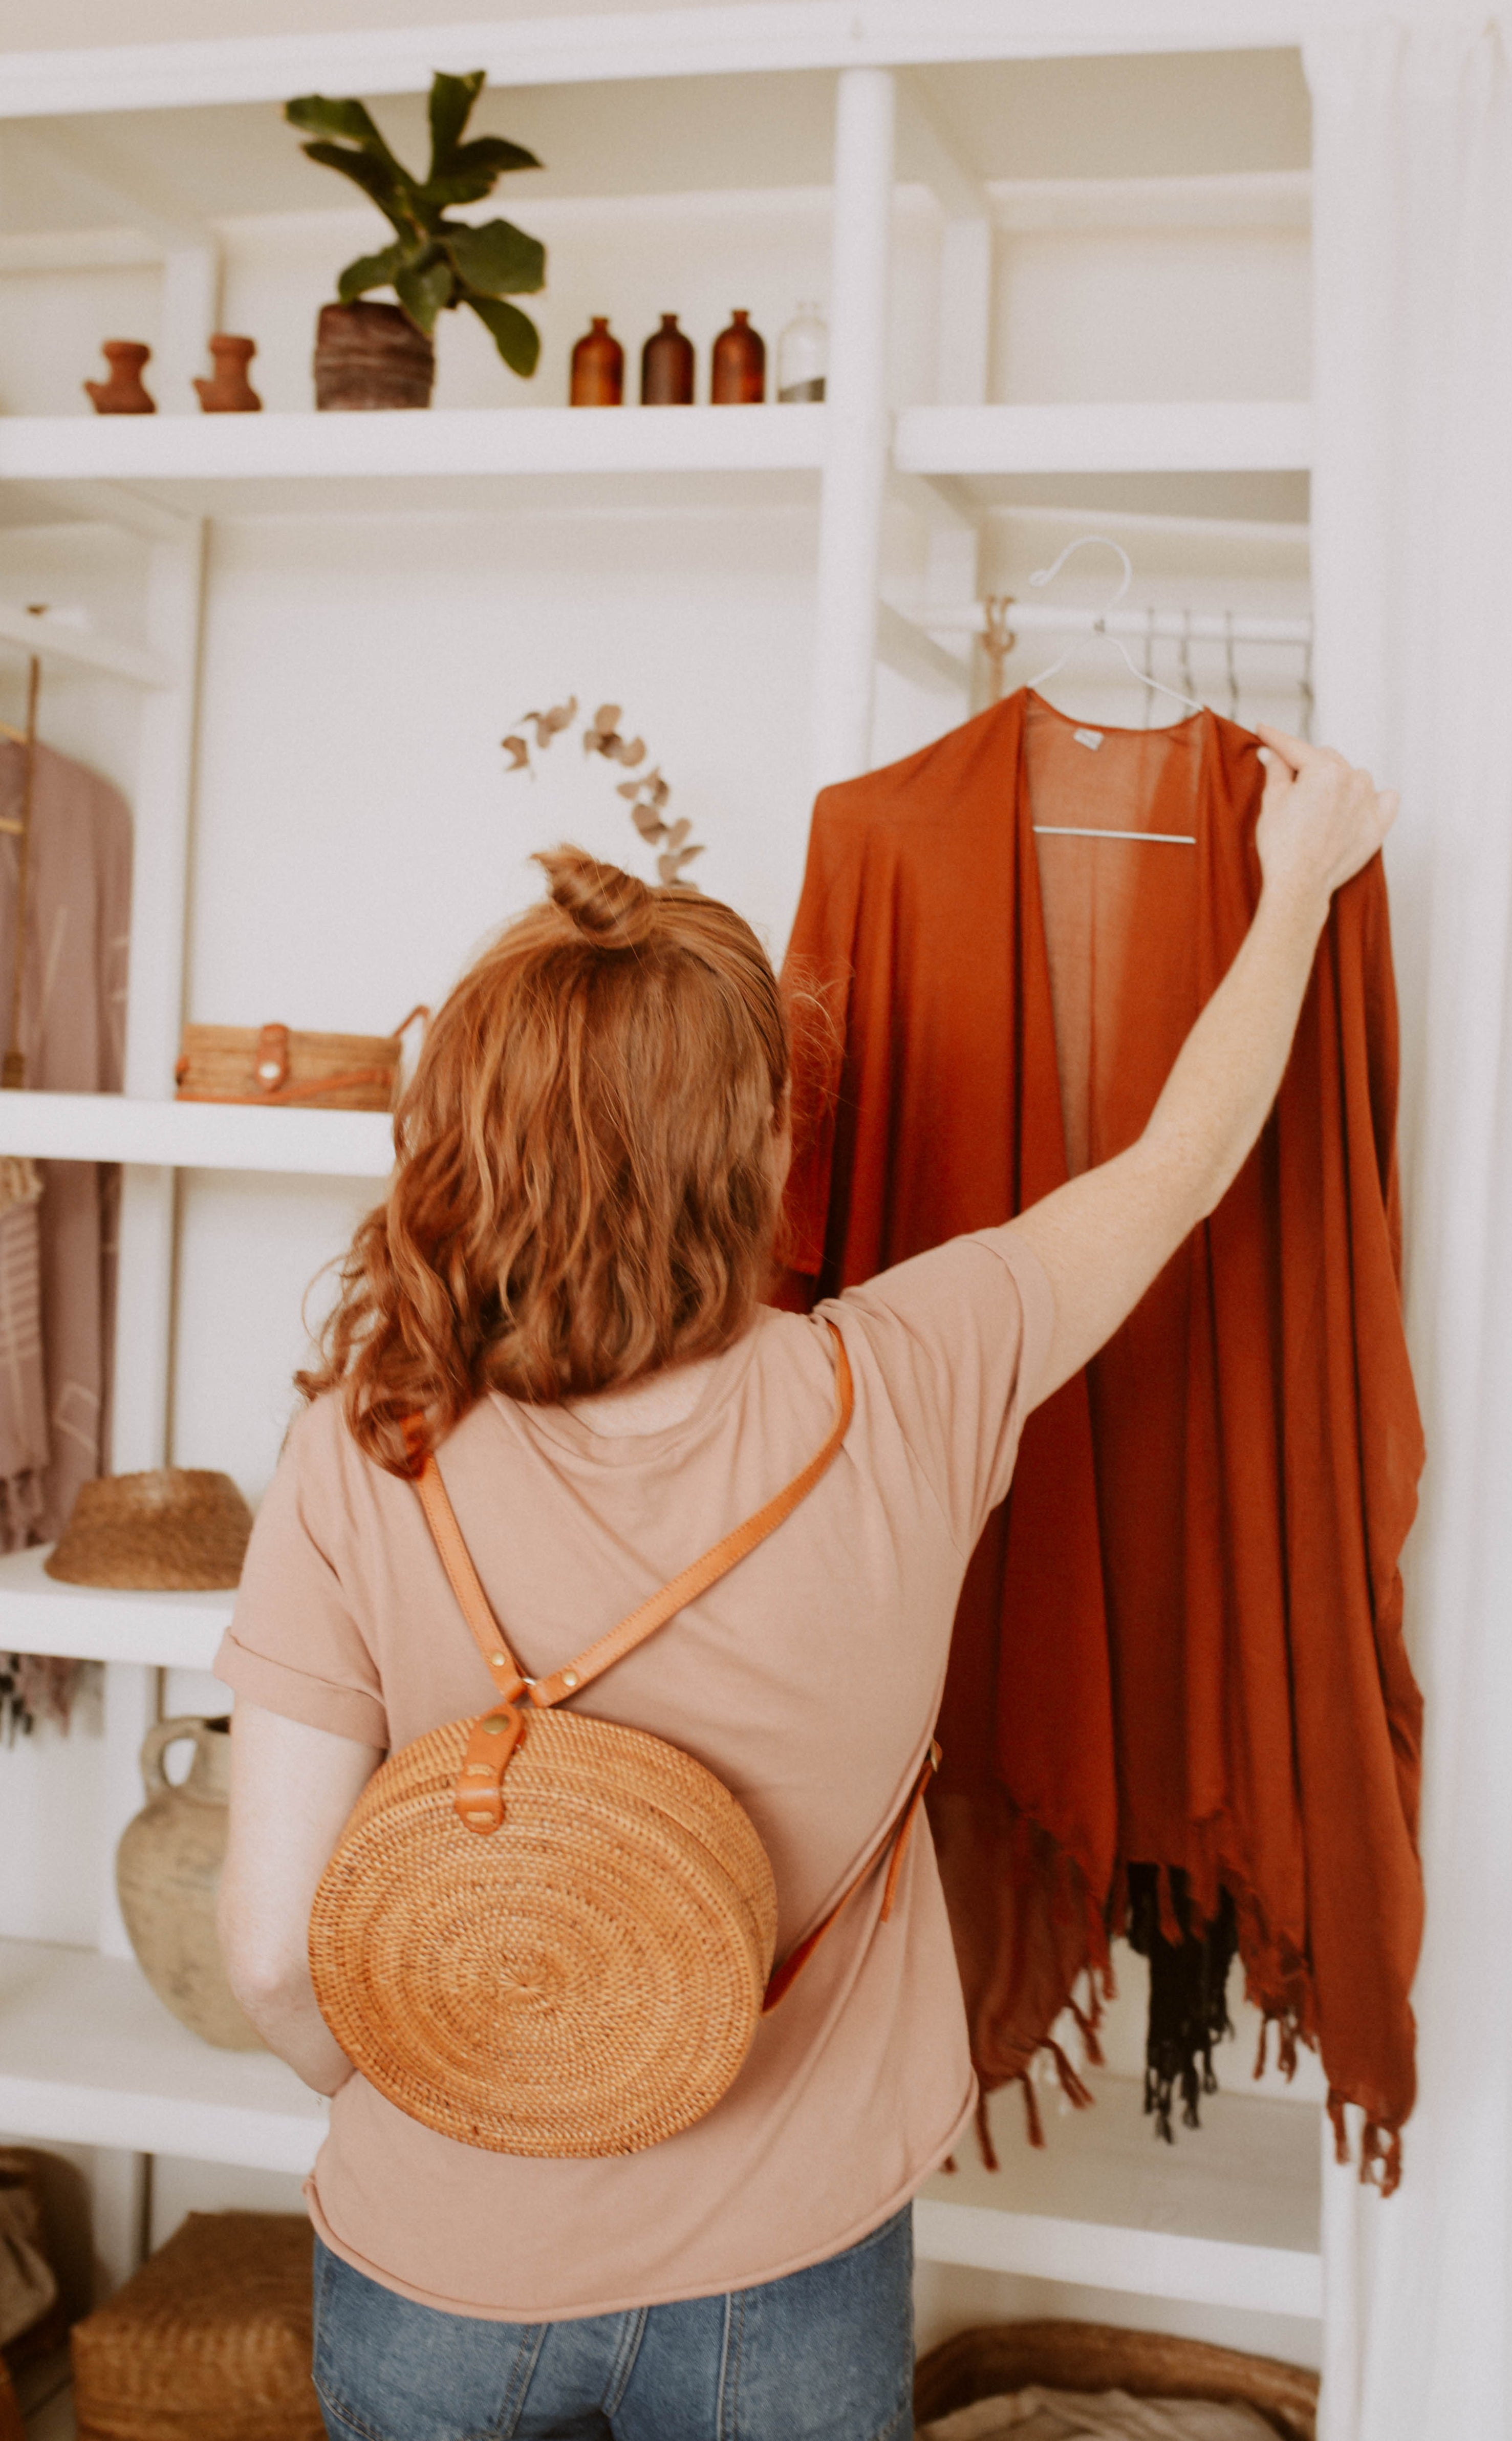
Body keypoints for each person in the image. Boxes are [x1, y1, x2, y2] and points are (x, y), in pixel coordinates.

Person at [218, 726, 1394, 2441]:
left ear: (472, 1136)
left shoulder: (365, 1438)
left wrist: (448, 2083)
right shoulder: (910, 1379)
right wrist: (1293, 889)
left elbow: (266, 1957)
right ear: (765, 1141)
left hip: (437, 2274)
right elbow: (1174, 1168)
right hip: (792, 2277)